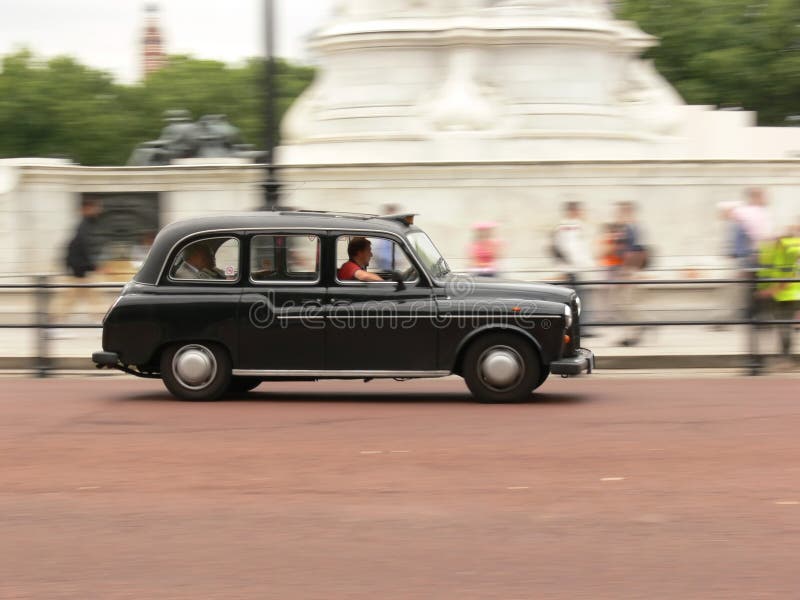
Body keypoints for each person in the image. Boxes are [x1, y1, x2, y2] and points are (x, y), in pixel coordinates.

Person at [554, 201, 595, 335]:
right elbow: (569, 250)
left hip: (576, 270)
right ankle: (578, 328)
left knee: (579, 300)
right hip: (572, 270)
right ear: (573, 211)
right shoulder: (568, 228)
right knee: (576, 300)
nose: (582, 213)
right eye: (579, 211)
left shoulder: (572, 227)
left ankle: (581, 328)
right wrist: (579, 265)